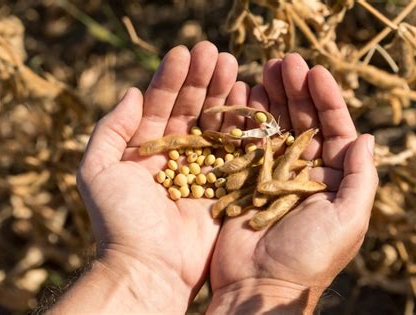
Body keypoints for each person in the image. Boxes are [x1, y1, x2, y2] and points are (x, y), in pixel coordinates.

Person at [49, 41, 378, 314]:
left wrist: (134, 270)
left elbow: (249, 186)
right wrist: (134, 260)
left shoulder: (265, 164)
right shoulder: (213, 160)